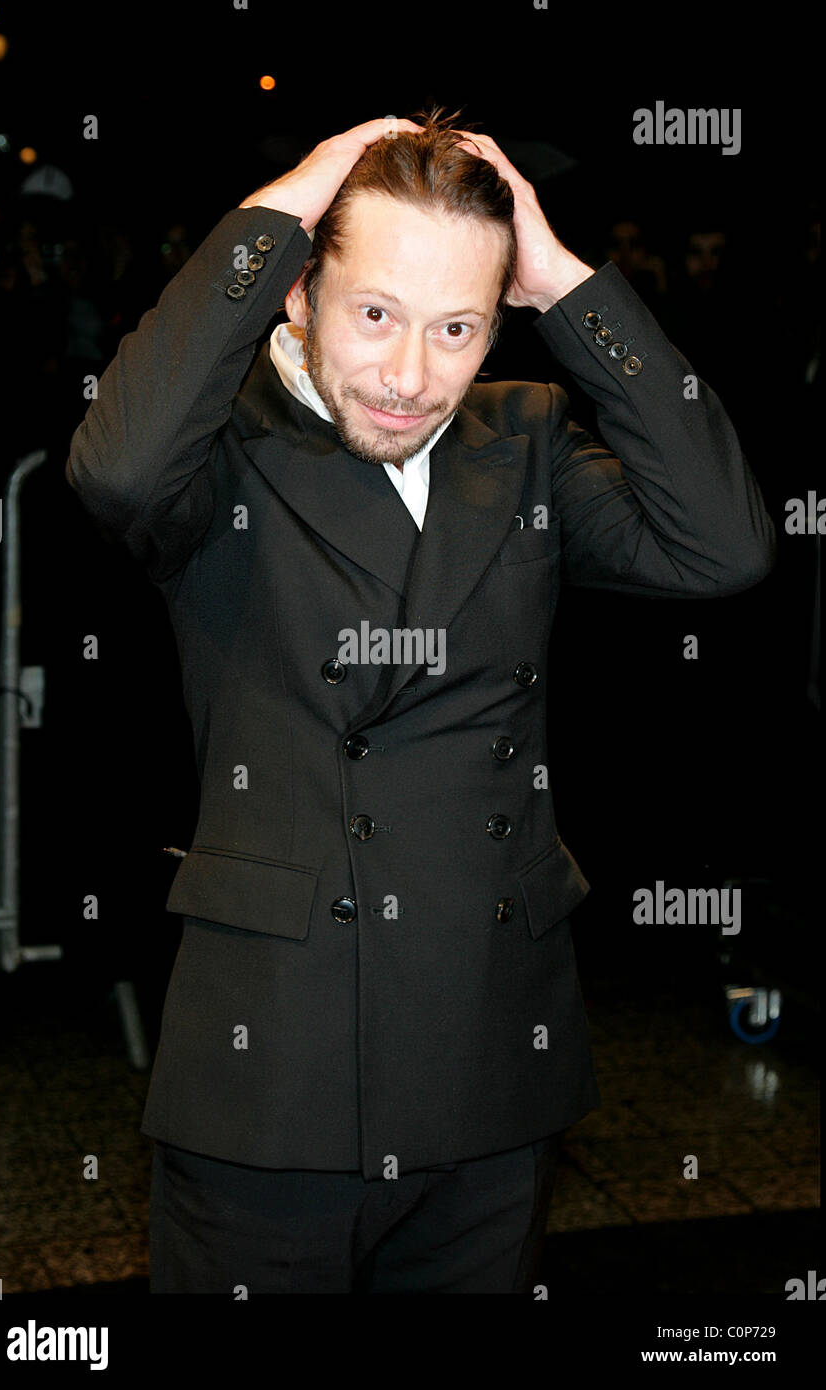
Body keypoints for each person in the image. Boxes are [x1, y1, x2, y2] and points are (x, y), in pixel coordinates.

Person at [65, 108, 775, 1294]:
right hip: (274, 1074)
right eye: (375, 314)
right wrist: (284, 202)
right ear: (297, 294)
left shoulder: (526, 442)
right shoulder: (217, 452)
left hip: (491, 1055)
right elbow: (115, 466)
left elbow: (723, 546)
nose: (408, 377)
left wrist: (564, 281)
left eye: (457, 327)